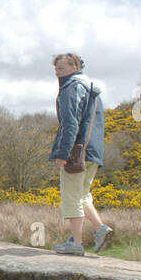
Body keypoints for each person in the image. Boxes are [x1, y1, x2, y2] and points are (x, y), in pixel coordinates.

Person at [48, 53, 114, 255]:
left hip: (78, 151)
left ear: (74, 67)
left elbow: (71, 123)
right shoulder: (92, 90)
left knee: (71, 196)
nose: (57, 73)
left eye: (61, 68)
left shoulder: (72, 87)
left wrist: (63, 153)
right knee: (82, 194)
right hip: (93, 151)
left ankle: (76, 243)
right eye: (56, 69)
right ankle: (101, 229)